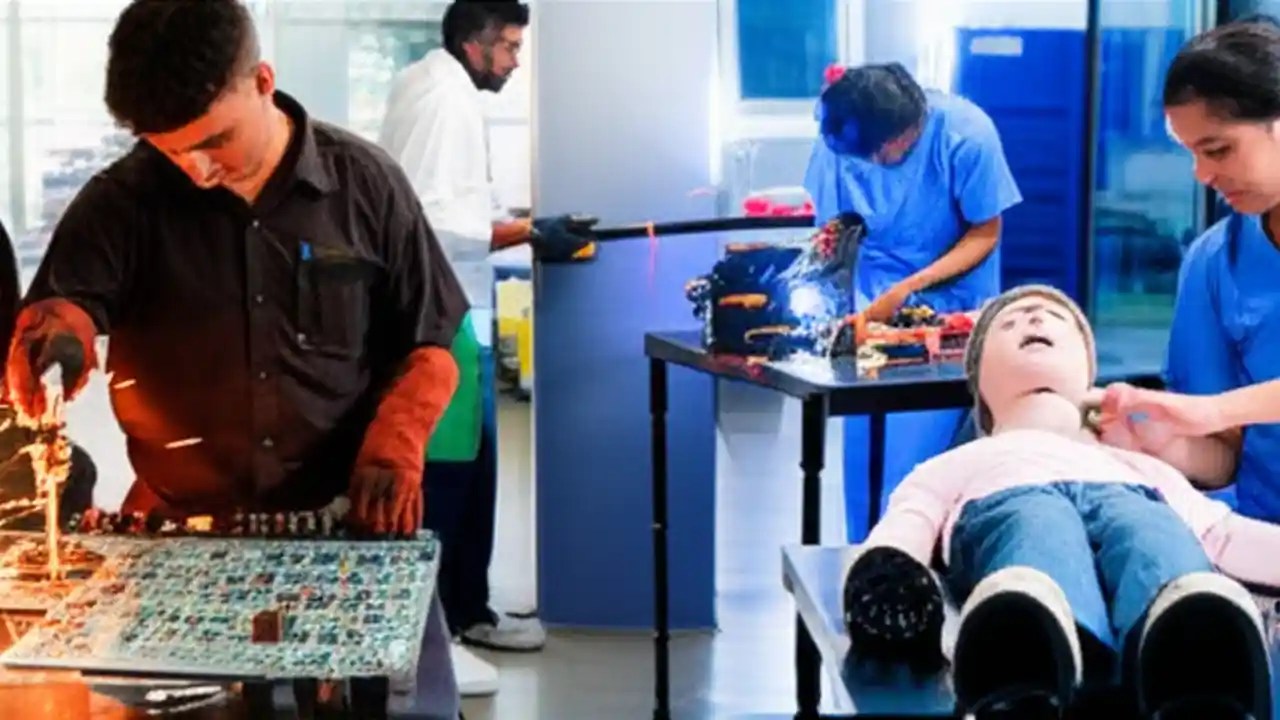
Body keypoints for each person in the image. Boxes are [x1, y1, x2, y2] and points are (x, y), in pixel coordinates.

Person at [5, 2, 467, 716]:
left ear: (263, 82)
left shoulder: (367, 186)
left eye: (214, 141)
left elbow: (431, 343)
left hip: (343, 530)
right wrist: (55, 334)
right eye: (172, 151)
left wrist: (398, 437)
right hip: (177, 534)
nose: (196, 170)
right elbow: (66, 304)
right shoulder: (121, 202)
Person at [844, 285, 1273, 719]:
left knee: (1155, 537)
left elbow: (1222, 533)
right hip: (1010, 503)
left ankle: (1195, 648)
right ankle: (1023, 651)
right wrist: (888, 576)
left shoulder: (1139, 466)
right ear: (982, 390)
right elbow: (911, 517)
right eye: (1009, 324)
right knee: (1035, 526)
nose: (1033, 316)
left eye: (1056, 318)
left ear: (1088, 373)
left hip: (1136, 512)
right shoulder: (966, 461)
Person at [379, 0, 588, 687]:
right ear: (475, 44)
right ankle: (431, 637)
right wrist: (528, 234)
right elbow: (433, 221)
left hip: (447, 307)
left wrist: (521, 223)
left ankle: (467, 612)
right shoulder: (445, 102)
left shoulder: (431, 83)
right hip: (438, 316)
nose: (515, 62)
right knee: (446, 473)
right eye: (509, 47)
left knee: (475, 466)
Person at [803, 63, 1023, 541]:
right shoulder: (838, 139)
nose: (873, 164)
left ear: (912, 126)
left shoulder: (966, 136)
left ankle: (915, 562)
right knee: (864, 460)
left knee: (920, 471)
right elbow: (832, 229)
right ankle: (864, 557)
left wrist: (909, 289)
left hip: (947, 307)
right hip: (869, 310)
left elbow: (986, 231)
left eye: (884, 151)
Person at [1095, 20, 1280, 521]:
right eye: (1193, 153)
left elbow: (1212, 412)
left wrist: (1214, 410)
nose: (1202, 174)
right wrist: (1163, 442)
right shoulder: (1213, 263)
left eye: (1218, 150)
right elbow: (1223, 459)